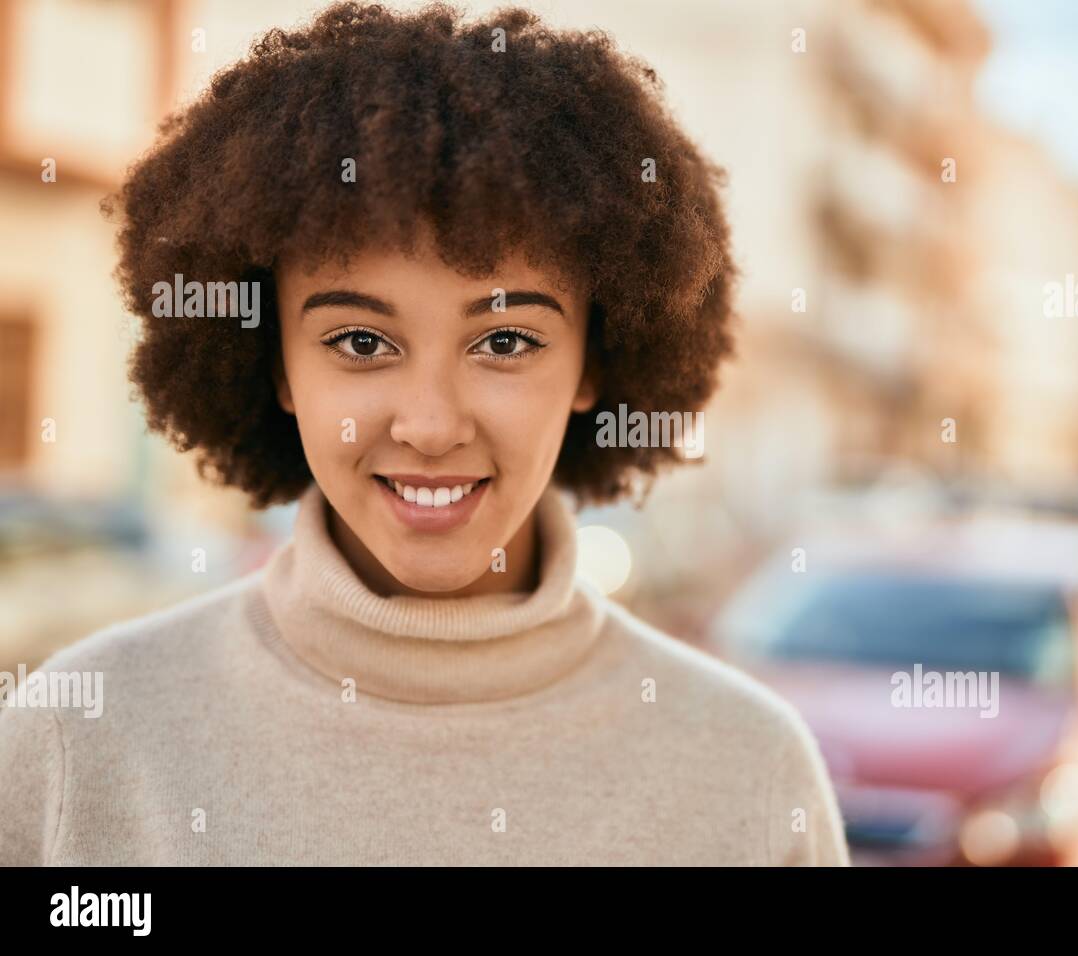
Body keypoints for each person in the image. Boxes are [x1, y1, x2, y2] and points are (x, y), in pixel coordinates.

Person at [0, 1, 849, 866]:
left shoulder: (748, 774)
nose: (432, 425)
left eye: (506, 341)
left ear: (595, 363)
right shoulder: (81, 737)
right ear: (277, 366)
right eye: (361, 343)